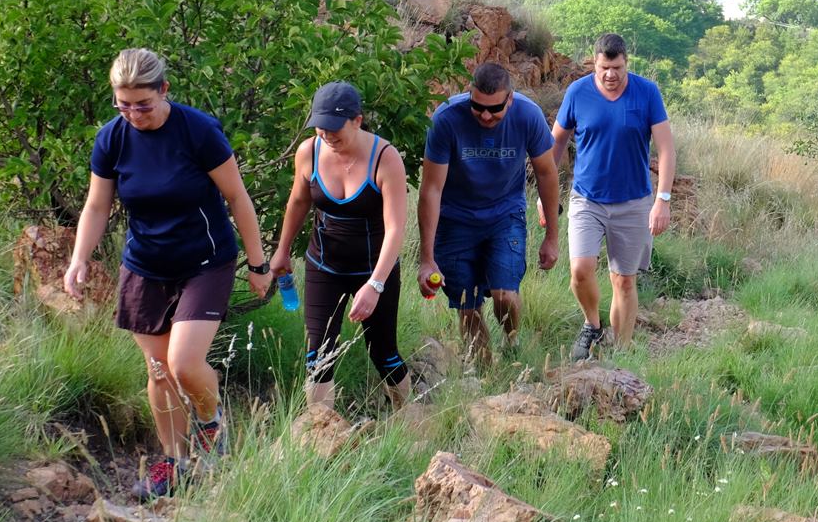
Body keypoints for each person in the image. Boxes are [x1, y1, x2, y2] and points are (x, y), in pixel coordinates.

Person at [64, 48, 270, 501]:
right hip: (146, 265)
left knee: (183, 364)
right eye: (123, 104)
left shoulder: (198, 132)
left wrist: (258, 264)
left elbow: (237, 198)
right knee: (159, 372)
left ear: (164, 91)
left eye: (143, 104)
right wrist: (79, 258)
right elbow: (98, 206)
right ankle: (173, 464)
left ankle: (212, 425)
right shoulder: (112, 139)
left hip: (204, 260)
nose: (133, 114)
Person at [269, 81, 412, 409]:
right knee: (318, 355)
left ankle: (410, 421)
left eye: (335, 129)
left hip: (375, 269)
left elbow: (395, 229)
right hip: (324, 266)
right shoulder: (309, 151)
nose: (327, 136)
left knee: (383, 353)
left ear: (357, 120)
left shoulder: (385, 159)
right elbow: (297, 203)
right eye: (321, 128)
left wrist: (375, 285)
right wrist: (281, 251)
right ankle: (319, 435)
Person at [417, 63, 560, 364]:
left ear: (510, 99)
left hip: (504, 215)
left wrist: (552, 238)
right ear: (469, 94)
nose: (484, 115)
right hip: (455, 219)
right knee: (467, 306)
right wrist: (426, 258)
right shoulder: (446, 120)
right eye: (477, 106)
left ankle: (512, 345)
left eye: (494, 109)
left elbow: (547, 173)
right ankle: (483, 370)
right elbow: (431, 189)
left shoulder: (528, 115)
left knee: (504, 295)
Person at [549, 33, 675, 360]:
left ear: (626, 64)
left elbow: (665, 148)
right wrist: (545, 196)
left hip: (634, 202)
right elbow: (556, 143)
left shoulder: (646, 92)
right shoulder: (578, 92)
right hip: (587, 199)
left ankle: (620, 354)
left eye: (617, 67)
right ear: (595, 64)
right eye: (605, 67)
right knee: (580, 270)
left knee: (624, 281)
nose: (611, 75)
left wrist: (663, 199)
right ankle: (592, 324)